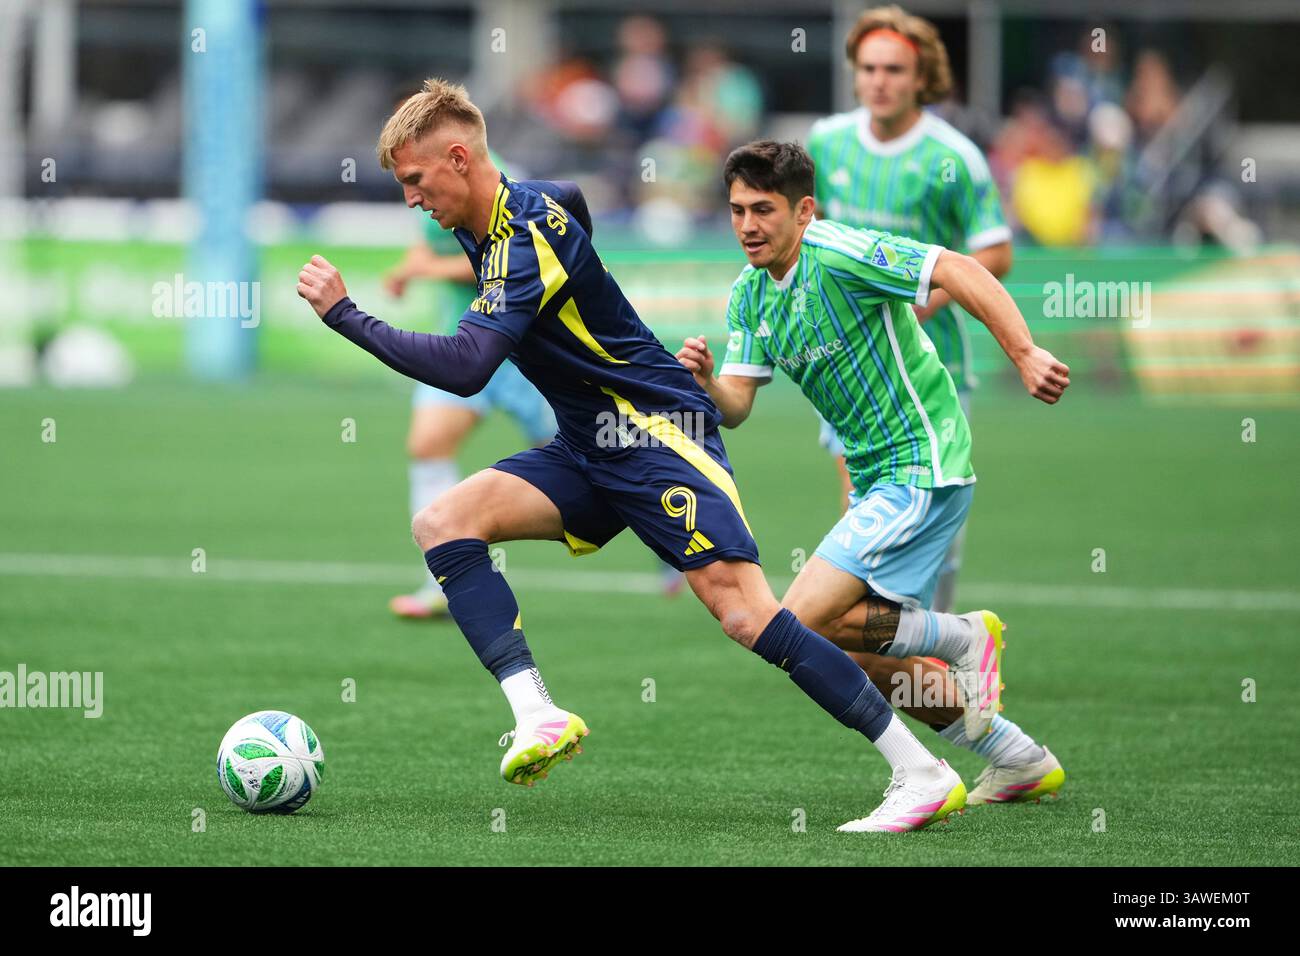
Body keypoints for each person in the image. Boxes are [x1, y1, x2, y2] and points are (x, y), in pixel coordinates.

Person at [296, 78, 997, 832]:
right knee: (445, 521)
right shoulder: (513, 212)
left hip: (657, 430)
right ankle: (538, 715)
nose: (410, 199)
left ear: (459, 159)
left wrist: (345, 314)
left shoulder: (524, 234)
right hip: (591, 441)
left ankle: (919, 770)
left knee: (746, 615)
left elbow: (468, 365)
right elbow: (570, 202)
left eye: (413, 180)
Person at [677, 141, 1067, 807]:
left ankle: (962, 637)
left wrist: (1024, 351)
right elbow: (738, 405)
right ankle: (1017, 757)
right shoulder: (749, 295)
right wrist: (710, 384)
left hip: (923, 461)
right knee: (852, 653)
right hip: (877, 479)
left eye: (763, 209)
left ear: (804, 211)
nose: (747, 224)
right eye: (738, 209)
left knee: (793, 620)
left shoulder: (839, 252)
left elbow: (958, 268)